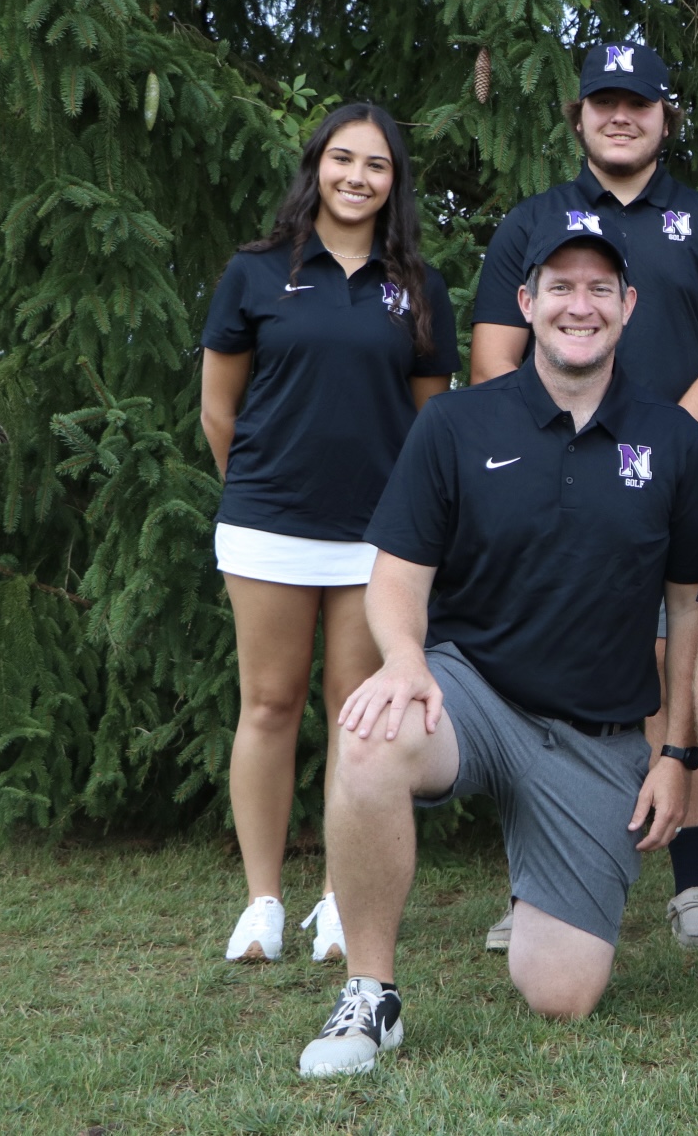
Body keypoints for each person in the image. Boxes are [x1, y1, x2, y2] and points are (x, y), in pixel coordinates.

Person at [296, 215, 698, 1077]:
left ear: (629, 305)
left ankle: (540, 867)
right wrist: (405, 660)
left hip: (599, 736)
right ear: (525, 302)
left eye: (600, 287)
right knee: (373, 732)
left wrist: (676, 750)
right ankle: (370, 990)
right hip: (473, 695)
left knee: (559, 992)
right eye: (559, 286)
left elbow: (692, 610)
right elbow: (397, 575)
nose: (580, 304)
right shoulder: (457, 423)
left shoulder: (673, 437)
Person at [468, 39, 698, 953]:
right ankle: (534, 887)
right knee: (544, 653)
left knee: (687, 652)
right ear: (580, 115)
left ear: (666, 115)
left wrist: (652, 443)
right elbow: (489, 359)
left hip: (676, 462)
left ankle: (692, 881)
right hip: (546, 463)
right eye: (603, 101)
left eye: (638, 101)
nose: (620, 114)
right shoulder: (532, 220)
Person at [200, 102, 459, 966]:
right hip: (268, 523)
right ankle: (262, 902)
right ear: (316, 165)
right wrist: (267, 491)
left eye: (376, 165)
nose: (357, 176)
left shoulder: (418, 286)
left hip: (376, 538)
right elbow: (218, 411)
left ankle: (340, 905)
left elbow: (432, 428)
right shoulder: (256, 271)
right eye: (342, 159)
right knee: (269, 705)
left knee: (360, 722)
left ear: (395, 181)